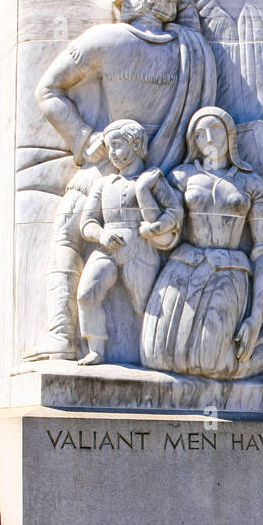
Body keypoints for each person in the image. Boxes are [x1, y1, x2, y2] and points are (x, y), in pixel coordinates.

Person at [27, 0, 215, 361]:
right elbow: (189, 15)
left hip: (107, 169)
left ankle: (62, 338)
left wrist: (84, 138)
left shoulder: (105, 39)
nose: (121, 0)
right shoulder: (194, 49)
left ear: (140, 0)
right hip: (164, 173)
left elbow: (48, 90)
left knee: (65, 239)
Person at [140, 106, 263, 379]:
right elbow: (170, 229)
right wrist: (145, 198)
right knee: (156, 356)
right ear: (193, 142)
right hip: (183, 269)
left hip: (228, 273)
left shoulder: (251, 183)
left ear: (230, 135)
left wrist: (256, 317)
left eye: (216, 130)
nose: (210, 139)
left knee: (215, 364)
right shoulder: (181, 176)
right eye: (200, 134)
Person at [77, 120, 182, 366]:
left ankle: (154, 355)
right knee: (86, 293)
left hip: (141, 248)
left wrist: (157, 227)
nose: (112, 153)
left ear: (135, 145)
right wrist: (101, 235)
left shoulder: (152, 179)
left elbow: (175, 212)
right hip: (108, 247)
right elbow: (87, 222)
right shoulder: (103, 184)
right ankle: (96, 349)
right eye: (109, 147)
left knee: (146, 306)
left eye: (117, 145)